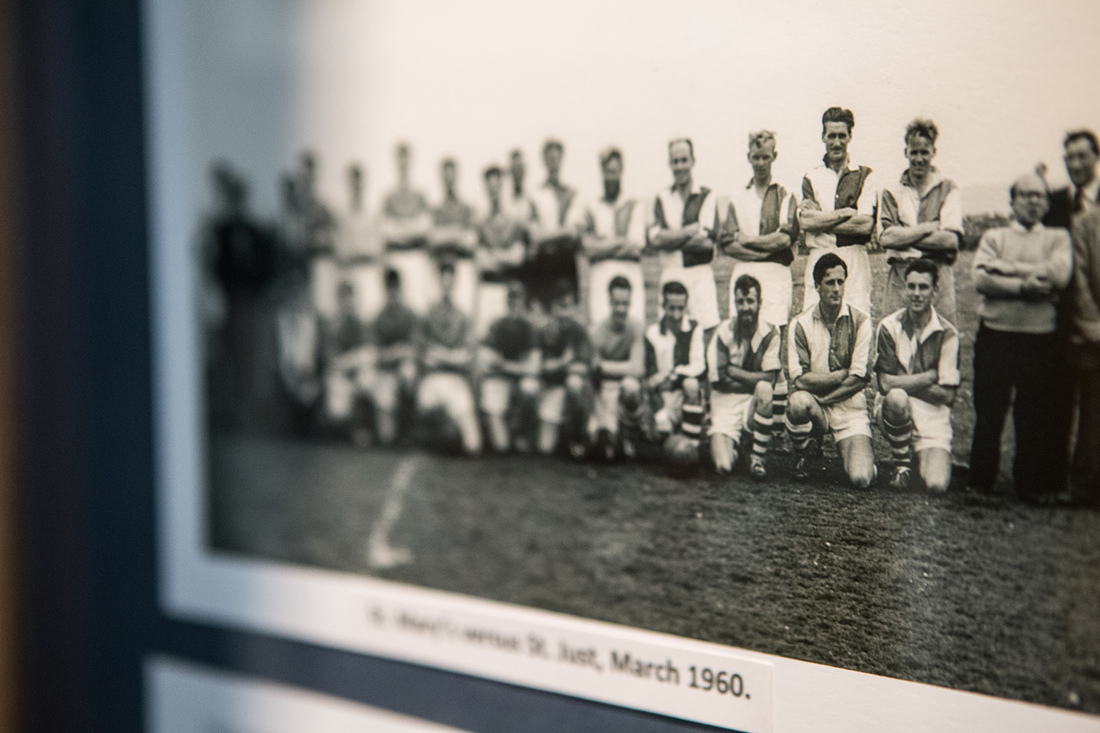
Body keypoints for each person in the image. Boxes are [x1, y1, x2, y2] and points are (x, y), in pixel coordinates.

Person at [968, 174, 1072, 502]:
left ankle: (1028, 485)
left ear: (1047, 203)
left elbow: (1059, 275)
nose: (1032, 201)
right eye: (1025, 195)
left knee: (1031, 415)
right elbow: (980, 278)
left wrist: (1005, 269)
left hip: (1039, 339)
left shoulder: (1058, 238)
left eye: (1039, 196)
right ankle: (980, 483)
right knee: (989, 412)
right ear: (1012, 202)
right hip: (995, 336)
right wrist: (1025, 286)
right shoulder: (994, 236)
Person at [717, 129, 798, 435]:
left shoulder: (786, 195)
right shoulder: (737, 197)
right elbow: (728, 243)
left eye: (766, 157)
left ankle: (775, 427)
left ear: (774, 156)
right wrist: (763, 248)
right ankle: (746, 418)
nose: (761, 162)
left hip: (775, 275)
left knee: (772, 344)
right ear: (748, 157)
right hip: (745, 275)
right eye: (756, 157)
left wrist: (749, 240)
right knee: (743, 344)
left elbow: (785, 239)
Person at [785, 252, 876, 487]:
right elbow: (800, 381)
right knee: (798, 402)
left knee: (861, 479)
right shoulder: (800, 324)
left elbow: (859, 379)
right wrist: (839, 375)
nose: (836, 289)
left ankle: (862, 459)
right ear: (817, 286)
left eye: (840, 282)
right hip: (817, 408)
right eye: (830, 283)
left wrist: (824, 397)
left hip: (849, 409)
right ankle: (801, 455)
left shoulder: (861, 321)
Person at [873, 259, 960, 492]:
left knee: (936, 485)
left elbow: (947, 395)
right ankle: (901, 466)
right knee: (896, 397)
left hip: (933, 416)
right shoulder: (889, 326)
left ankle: (918, 456)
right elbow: (885, 384)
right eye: (911, 286)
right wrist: (928, 377)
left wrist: (903, 379)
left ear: (935, 291)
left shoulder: (948, 334)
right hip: (896, 410)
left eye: (923, 287)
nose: (916, 294)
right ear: (904, 289)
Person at [878, 119, 963, 324]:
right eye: (914, 152)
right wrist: (927, 228)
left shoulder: (947, 188)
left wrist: (904, 235)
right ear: (906, 152)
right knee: (897, 337)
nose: (919, 159)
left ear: (933, 152)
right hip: (901, 279)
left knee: (940, 336)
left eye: (924, 152)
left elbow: (950, 241)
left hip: (938, 278)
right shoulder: (892, 191)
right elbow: (886, 238)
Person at [799, 107, 879, 315]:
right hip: (819, 257)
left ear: (850, 136)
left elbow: (864, 225)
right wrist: (844, 213)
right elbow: (806, 222)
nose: (836, 143)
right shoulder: (811, 177)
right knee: (815, 325)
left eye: (842, 136)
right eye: (831, 136)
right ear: (823, 137)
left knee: (856, 321)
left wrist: (821, 221)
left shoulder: (864, 175)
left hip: (854, 260)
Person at [707, 275, 780, 479]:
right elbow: (719, 380)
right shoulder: (724, 331)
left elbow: (770, 379)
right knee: (723, 466)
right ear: (735, 303)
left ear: (759, 303)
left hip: (751, 402)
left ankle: (757, 459)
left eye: (750, 301)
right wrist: (754, 379)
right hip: (724, 403)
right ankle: (739, 447)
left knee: (764, 390)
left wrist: (734, 371)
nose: (745, 307)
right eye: (741, 301)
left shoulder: (770, 332)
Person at [648, 138, 721, 331]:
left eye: (683, 160)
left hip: (700, 276)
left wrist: (670, 239)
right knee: (670, 335)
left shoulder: (706, 195)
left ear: (692, 160)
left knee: (706, 332)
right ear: (669, 163)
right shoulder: (662, 197)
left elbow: (706, 243)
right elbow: (655, 239)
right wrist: (689, 231)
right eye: (675, 161)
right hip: (671, 273)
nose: (679, 166)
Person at [418, 261, 482, 455]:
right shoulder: (429, 314)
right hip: (434, 377)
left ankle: (452, 431)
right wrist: (451, 356)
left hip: (455, 379)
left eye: (450, 281)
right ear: (438, 282)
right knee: (426, 403)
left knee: (473, 446)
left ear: (454, 283)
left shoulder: (462, 316)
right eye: (443, 281)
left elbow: (467, 357)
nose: (446, 285)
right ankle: (436, 435)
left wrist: (441, 355)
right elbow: (425, 356)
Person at [580, 147, 646, 325]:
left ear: (621, 171)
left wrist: (601, 243)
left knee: (633, 329)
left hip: (630, 278)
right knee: (600, 332)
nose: (610, 177)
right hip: (600, 282)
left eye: (613, 171)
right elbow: (588, 249)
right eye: (606, 172)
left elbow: (635, 247)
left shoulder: (634, 204)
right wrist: (621, 241)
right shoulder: (592, 206)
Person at [588, 276, 647, 459]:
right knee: (601, 444)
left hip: (623, 389)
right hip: (603, 390)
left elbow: (638, 368)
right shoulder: (597, 331)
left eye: (625, 303)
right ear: (609, 301)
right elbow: (593, 372)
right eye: (617, 303)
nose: (621, 309)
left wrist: (604, 366)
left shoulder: (636, 327)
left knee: (631, 386)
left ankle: (629, 436)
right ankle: (605, 432)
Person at [479, 280, 540, 453]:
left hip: (519, 383)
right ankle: (501, 431)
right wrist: (514, 366)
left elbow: (534, 368)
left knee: (530, 388)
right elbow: (486, 362)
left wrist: (505, 365)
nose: (515, 304)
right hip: (500, 382)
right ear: (507, 302)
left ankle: (521, 431)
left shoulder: (529, 327)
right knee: (501, 446)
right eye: (511, 299)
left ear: (523, 301)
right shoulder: (497, 325)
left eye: (518, 299)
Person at [644, 281, 706, 443]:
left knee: (692, 384)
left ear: (686, 307)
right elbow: (651, 380)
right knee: (664, 437)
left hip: (682, 394)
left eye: (681, 308)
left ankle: (692, 444)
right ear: (663, 306)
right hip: (661, 397)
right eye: (671, 308)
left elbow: (699, 365)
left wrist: (672, 374)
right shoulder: (652, 333)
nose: (676, 314)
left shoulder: (694, 328)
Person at [537, 280, 592, 457]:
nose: (564, 313)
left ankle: (576, 436)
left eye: (568, 307)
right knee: (545, 448)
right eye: (561, 307)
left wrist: (558, 367)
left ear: (574, 308)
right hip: (552, 388)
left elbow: (583, 367)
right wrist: (564, 362)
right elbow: (542, 367)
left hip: (571, 388)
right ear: (554, 308)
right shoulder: (547, 331)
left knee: (575, 384)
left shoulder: (579, 331)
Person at [526, 139, 581, 312]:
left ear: (562, 159)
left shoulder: (571, 193)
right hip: (544, 262)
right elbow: (535, 236)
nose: (553, 163)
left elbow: (574, 233)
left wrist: (547, 235)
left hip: (566, 262)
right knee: (544, 313)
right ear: (544, 160)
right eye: (550, 158)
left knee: (567, 312)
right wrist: (562, 233)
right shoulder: (535, 194)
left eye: (556, 158)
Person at [1068, 207, 1100, 504]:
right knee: (1093, 413)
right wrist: (1094, 327)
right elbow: (1078, 278)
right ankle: (1087, 483)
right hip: (1095, 335)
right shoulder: (1086, 224)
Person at [379, 143, 433, 314]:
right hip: (397, 257)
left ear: (411, 162)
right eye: (400, 160)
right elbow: (386, 232)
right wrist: (411, 229)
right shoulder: (389, 198)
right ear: (395, 163)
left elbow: (424, 229)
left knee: (418, 307)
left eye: (406, 160)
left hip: (416, 257)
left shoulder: (419, 196)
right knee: (398, 308)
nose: (403, 164)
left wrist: (400, 227)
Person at [322, 280, 376, 446]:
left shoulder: (360, 323)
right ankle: (341, 430)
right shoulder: (332, 325)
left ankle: (361, 428)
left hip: (355, 374)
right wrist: (353, 360)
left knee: (367, 379)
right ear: (339, 301)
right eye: (344, 299)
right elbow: (332, 361)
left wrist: (354, 361)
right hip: (339, 376)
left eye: (351, 299)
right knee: (337, 414)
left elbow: (369, 352)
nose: (348, 304)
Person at [475, 165, 527, 337]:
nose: (494, 191)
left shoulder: (514, 221)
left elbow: (517, 258)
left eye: (497, 186)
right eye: (490, 187)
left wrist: (494, 256)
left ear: (503, 187)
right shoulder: (481, 223)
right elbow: (481, 261)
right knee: (486, 337)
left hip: (509, 289)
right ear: (485, 189)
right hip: (488, 288)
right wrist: (505, 257)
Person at [370, 268, 419, 446]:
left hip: (402, 369)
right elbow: (377, 354)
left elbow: (414, 348)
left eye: (395, 288)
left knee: (409, 372)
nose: (393, 292)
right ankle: (389, 429)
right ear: (385, 290)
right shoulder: (379, 317)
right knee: (386, 438)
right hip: (385, 372)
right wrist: (397, 352)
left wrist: (399, 353)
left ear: (400, 289)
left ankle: (409, 429)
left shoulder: (409, 314)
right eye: (390, 288)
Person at [429, 157, 478, 316]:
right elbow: (432, 239)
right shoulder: (436, 209)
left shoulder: (465, 208)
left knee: (464, 312)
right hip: (442, 267)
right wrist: (456, 233)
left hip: (461, 265)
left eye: (452, 175)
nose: (449, 180)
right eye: (445, 176)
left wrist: (445, 235)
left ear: (457, 177)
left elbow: (470, 241)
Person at [337, 163, 385, 321]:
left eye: (358, 183)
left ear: (363, 184)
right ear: (348, 185)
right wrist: (359, 251)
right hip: (350, 275)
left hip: (368, 274)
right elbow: (342, 251)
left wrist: (358, 251)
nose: (356, 187)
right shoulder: (343, 216)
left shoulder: (372, 214)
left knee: (370, 317)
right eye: (353, 184)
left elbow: (377, 249)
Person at [1044, 129, 1100, 229]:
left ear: (1097, 157)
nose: (1075, 166)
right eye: (1070, 158)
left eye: (1082, 156)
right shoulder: (1051, 203)